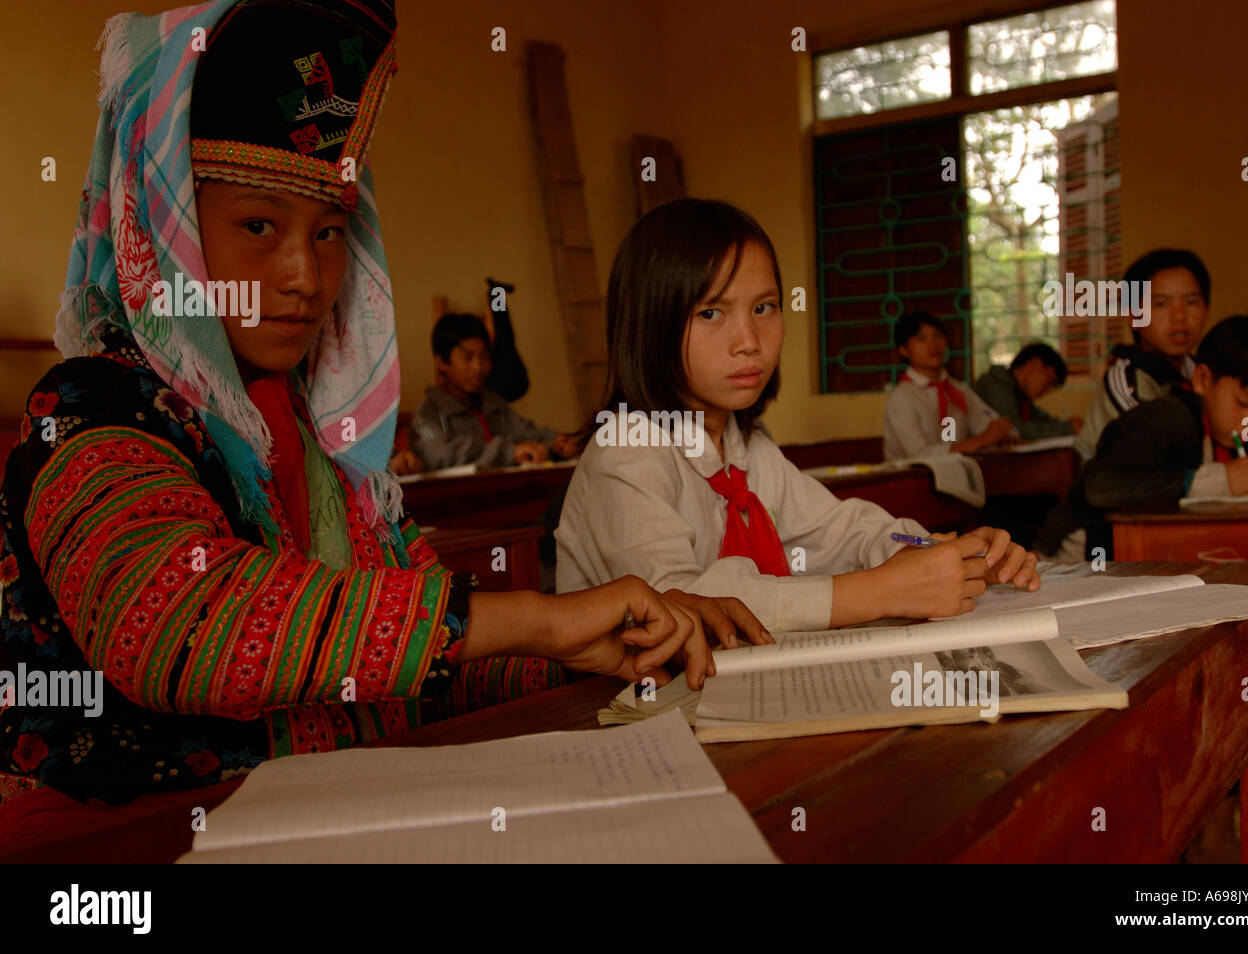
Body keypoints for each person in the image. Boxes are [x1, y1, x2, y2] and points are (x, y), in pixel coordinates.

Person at [0, 0, 758, 808]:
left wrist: (583, 647)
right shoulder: (90, 410)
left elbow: (415, 664)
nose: (304, 274)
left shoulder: (328, 448)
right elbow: (174, 623)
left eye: (329, 232)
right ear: (166, 229)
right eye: (259, 225)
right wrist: (538, 618)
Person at [556, 199, 1041, 634]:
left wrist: (936, 551)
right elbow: (685, 604)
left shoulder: (748, 450)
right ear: (649, 325)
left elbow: (846, 528)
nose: (749, 339)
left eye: (764, 307)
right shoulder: (626, 451)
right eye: (711, 313)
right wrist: (882, 591)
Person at [1034, 315, 1248, 561]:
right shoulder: (1169, 419)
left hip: (1142, 559)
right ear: (1203, 380)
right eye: (1244, 402)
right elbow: (1101, 487)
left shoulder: (1228, 429)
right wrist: (1208, 481)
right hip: (1077, 560)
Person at [397, 313, 577, 473]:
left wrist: (557, 443)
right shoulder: (427, 413)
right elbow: (439, 453)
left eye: (483, 356)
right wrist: (509, 452)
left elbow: (527, 432)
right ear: (441, 362)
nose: (478, 367)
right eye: (467, 357)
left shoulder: (492, 402)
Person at [1076, 249, 1212, 458]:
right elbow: (1159, 456)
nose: (1179, 316)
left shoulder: (1201, 373)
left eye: (1191, 302)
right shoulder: (1125, 381)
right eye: (1160, 304)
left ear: (1206, 311)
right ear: (1133, 317)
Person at [883, 311, 1015, 459]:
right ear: (904, 350)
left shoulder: (957, 390)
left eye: (938, 336)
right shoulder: (902, 398)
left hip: (958, 474)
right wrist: (979, 441)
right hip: (911, 479)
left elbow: (989, 424)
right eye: (922, 339)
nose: (933, 345)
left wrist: (1004, 433)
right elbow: (918, 455)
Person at [974, 342, 1078, 439]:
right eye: (1049, 379)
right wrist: (1068, 429)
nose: (1048, 389)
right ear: (1035, 364)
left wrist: (1068, 424)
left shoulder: (1020, 395)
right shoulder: (995, 385)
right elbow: (1014, 429)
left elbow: (1040, 418)